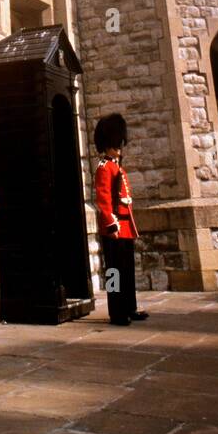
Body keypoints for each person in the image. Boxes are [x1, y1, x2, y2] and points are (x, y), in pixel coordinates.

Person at [94, 113, 149, 327]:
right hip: (114, 227)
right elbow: (103, 199)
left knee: (127, 271)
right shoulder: (104, 168)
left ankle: (129, 306)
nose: (118, 148)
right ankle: (117, 311)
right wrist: (111, 224)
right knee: (115, 272)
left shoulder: (117, 167)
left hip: (126, 226)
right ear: (108, 145)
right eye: (115, 145)